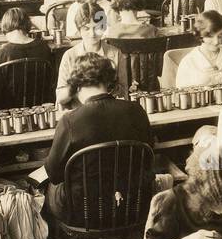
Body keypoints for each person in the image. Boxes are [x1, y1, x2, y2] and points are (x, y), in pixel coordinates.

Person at [41, 52, 152, 221]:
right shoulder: (136, 110)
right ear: (108, 82)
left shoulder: (69, 121)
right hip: (131, 204)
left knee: (49, 189)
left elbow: (54, 174)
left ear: (76, 86)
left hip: (85, 211)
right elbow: (148, 158)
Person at [55, 1, 123, 104]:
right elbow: (60, 99)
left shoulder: (116, 53)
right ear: (79, 29)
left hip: (108, 111)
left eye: (97, 28)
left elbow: (123, 91)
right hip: (79, 113)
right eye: (86, 28)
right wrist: (75, 84)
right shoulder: (69, 56)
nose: (92, 34)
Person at [175, 11, 222, 89]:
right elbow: (180, 93)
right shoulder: (189, 62)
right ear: (200, 35)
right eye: (210, 36)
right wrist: (203, 82)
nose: (216, 42)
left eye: (220, 36)